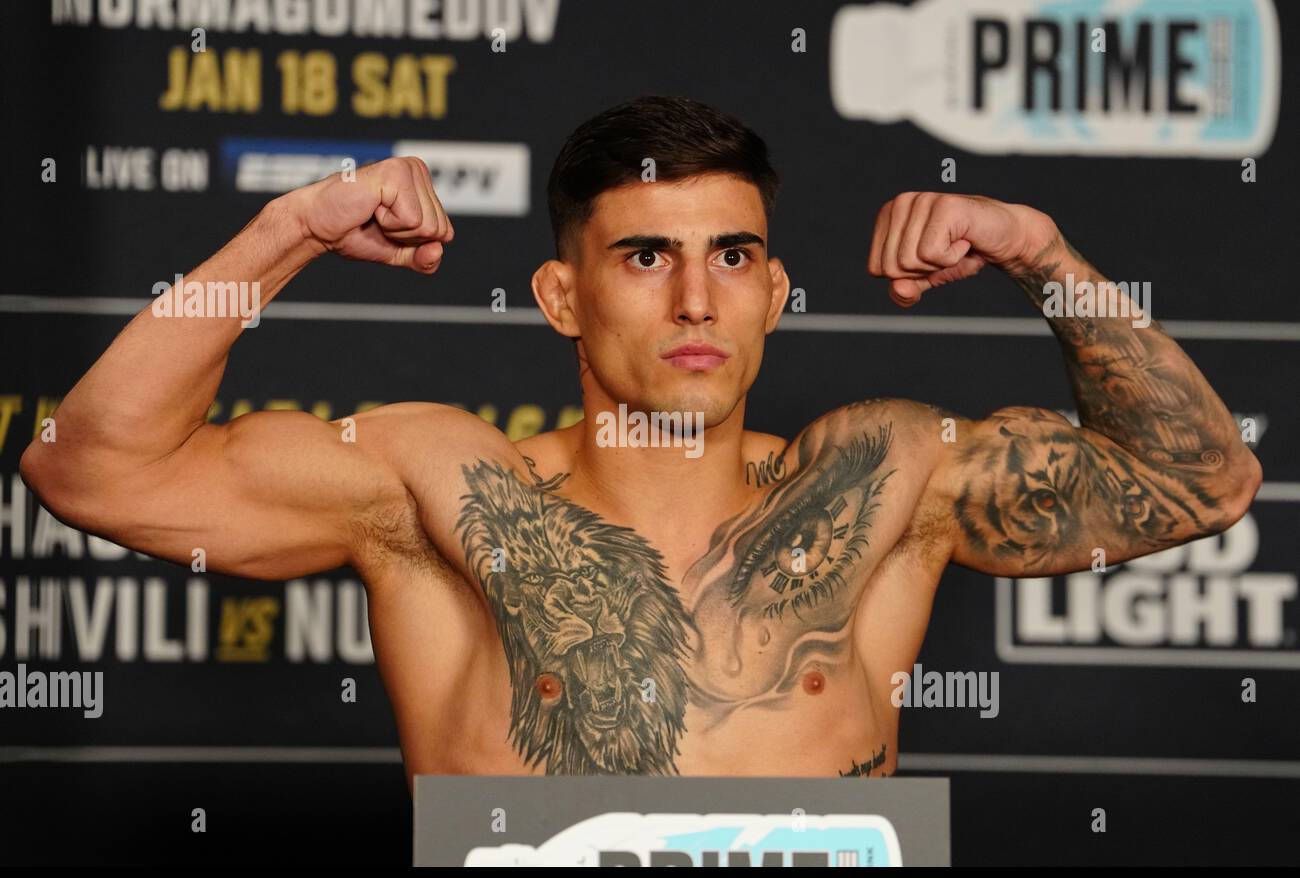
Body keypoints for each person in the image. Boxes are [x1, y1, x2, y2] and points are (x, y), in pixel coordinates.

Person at [20, 96, 1261, 786]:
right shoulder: (439, 481)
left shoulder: (882, 477)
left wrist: (1042, 255)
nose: (695, 300)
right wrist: (292, 227)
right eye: (643, 256)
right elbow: (89, 465)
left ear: (776, 292)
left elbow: (1203, 482)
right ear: (562, 298)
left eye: (734, 255)